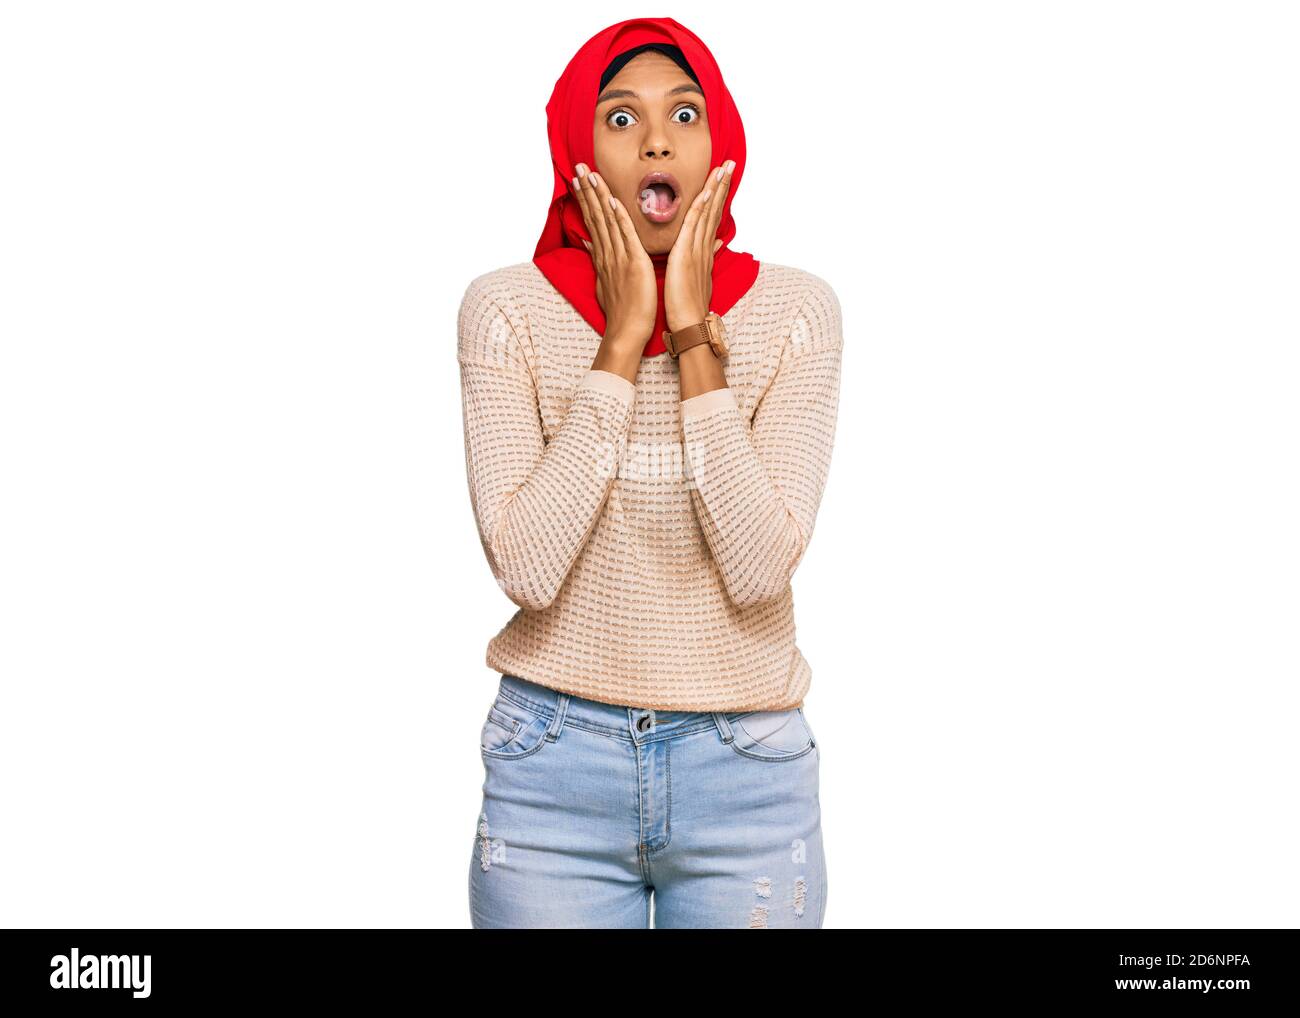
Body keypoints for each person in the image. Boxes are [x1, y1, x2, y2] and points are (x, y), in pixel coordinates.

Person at [458, 16, 843, 928]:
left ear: (720, 146)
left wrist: (692, 333)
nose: (657, 140)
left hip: (747, 778)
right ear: (577, 152)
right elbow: (528, 567)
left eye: (685, 113)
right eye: (622, 118)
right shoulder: (504, 310)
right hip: (552, 774)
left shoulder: (798, 311)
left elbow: (759, 567)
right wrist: (623, 340)